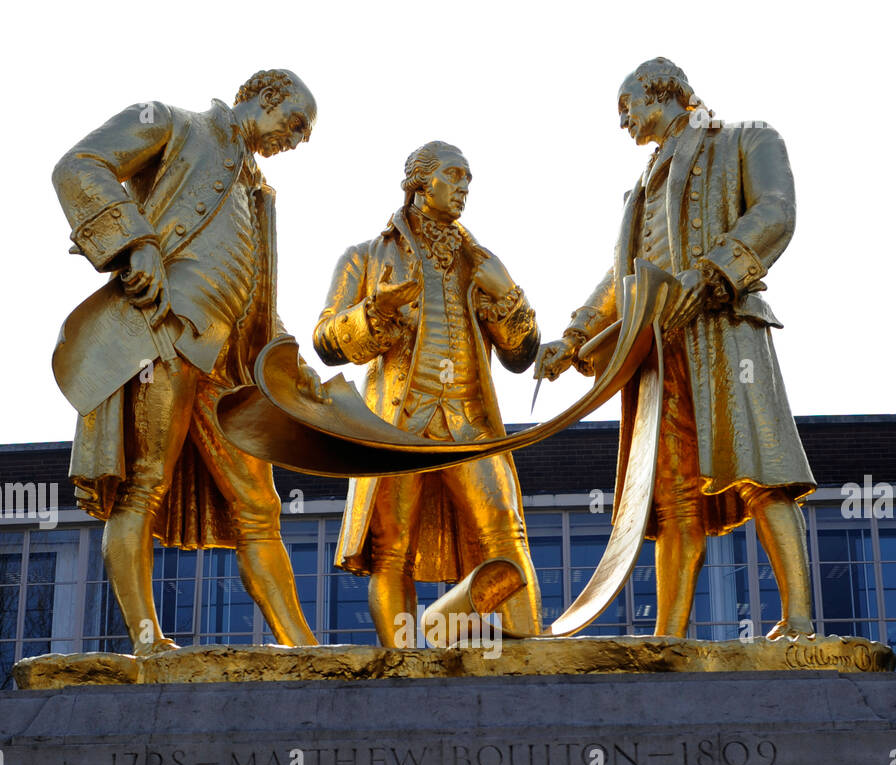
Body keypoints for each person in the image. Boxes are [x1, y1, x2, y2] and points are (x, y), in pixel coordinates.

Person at [536, 57, 816, 640]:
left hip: (723, 330)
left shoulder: (747, 138)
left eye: (627, 106)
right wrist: (576, 335)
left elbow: (776, 211)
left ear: (661, 93)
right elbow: (624, 279)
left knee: (760, 468)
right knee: (671, 499)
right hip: (656, 353)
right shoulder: (637, 189)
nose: (624, 122)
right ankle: (670, 638)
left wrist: (716, 269)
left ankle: (799, 621)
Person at [52, 68, 325, 654]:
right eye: (295, 122)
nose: (298, 139)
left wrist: (289, 357)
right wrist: (137, 242)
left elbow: (253, 294)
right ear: (261, 97)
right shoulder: (171, 122)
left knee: (260, 504)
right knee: (143, 486)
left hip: (229, 365)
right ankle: (148, 642)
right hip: (165, 338)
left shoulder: (257, 192)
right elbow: (80, 164)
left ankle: (302, 649)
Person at [313, 140, 542, 645]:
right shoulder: (365, 258)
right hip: (396, 423)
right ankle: (403, 662)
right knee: (391, 548)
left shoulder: (483, 262)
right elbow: (326, 340)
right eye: (454, 175)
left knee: (505, 530)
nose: (464, 187)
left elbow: (521, 354)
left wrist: (508, 295)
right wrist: (377, 311)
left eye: (468, 180)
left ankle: (530, 652)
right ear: (420, 181)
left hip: (469, 420)